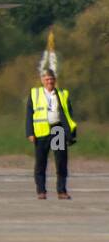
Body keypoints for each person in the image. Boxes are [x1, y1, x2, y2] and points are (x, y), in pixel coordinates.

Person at [27, 69, 77, 200]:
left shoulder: (62, 94)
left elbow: (69, 114)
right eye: (47, 79)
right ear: (43, 80)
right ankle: (41, 191)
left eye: (52, 79)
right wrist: (30, 133)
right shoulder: (35, 94)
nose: (50, 81)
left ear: (55, 80)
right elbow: (29, 115)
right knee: (40, 163)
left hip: (57, 130)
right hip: (41, 132)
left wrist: (70, 132)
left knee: (61, 162)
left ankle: (61, 191)